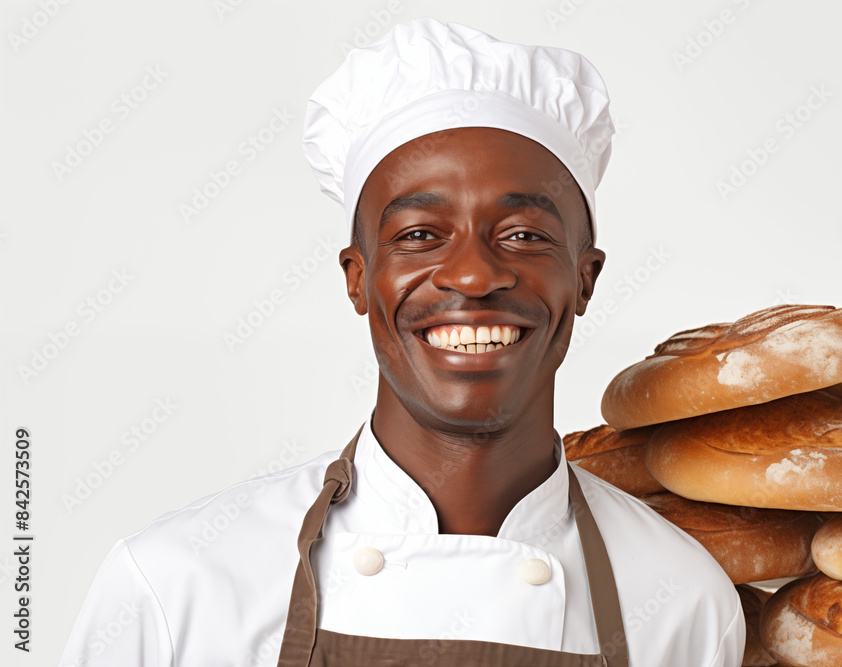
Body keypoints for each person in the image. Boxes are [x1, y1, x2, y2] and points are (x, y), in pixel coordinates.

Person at [60, 18, 744, 666]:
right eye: (420, 234)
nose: (474, 274)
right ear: (359, 279)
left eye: (525, 235)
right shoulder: (176, 587)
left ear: (585, 279)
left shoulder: (683, 603)